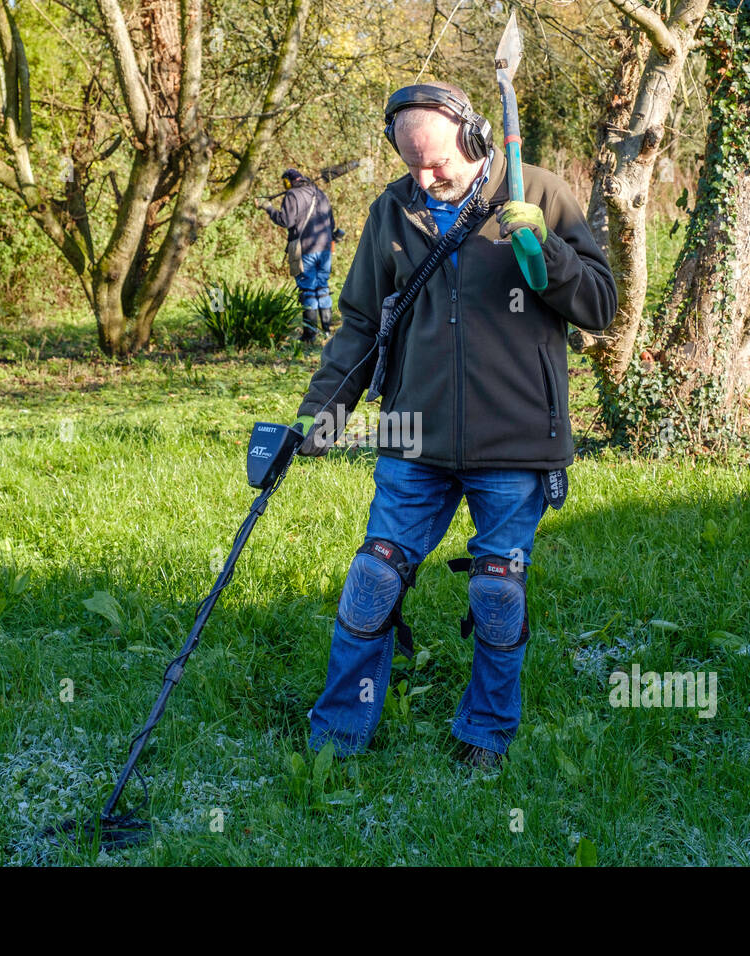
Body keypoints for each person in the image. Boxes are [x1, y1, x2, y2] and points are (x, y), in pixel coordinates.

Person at [291, 82, 617, 768]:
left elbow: (600, 306)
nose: (423, 176)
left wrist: (547, 254)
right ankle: (338, 735)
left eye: (435, 161)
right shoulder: (393, 209)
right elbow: (357, 322)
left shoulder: (544, 192)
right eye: (409, 162)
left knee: (498, 589)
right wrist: (323, 415)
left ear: (475, 138)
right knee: (373, 580)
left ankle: (485, 735)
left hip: (517, 438)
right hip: (413, 435)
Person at [259, 168, 342, 343]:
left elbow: (285, 221)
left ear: (289, 181)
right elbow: (332, 222)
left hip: (305, 248)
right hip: (326, 247)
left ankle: (310, 334)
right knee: (323, 288)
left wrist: (268, 208)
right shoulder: (319, 193)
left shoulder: (292, 196)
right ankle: (327, 331)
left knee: (308, 290)